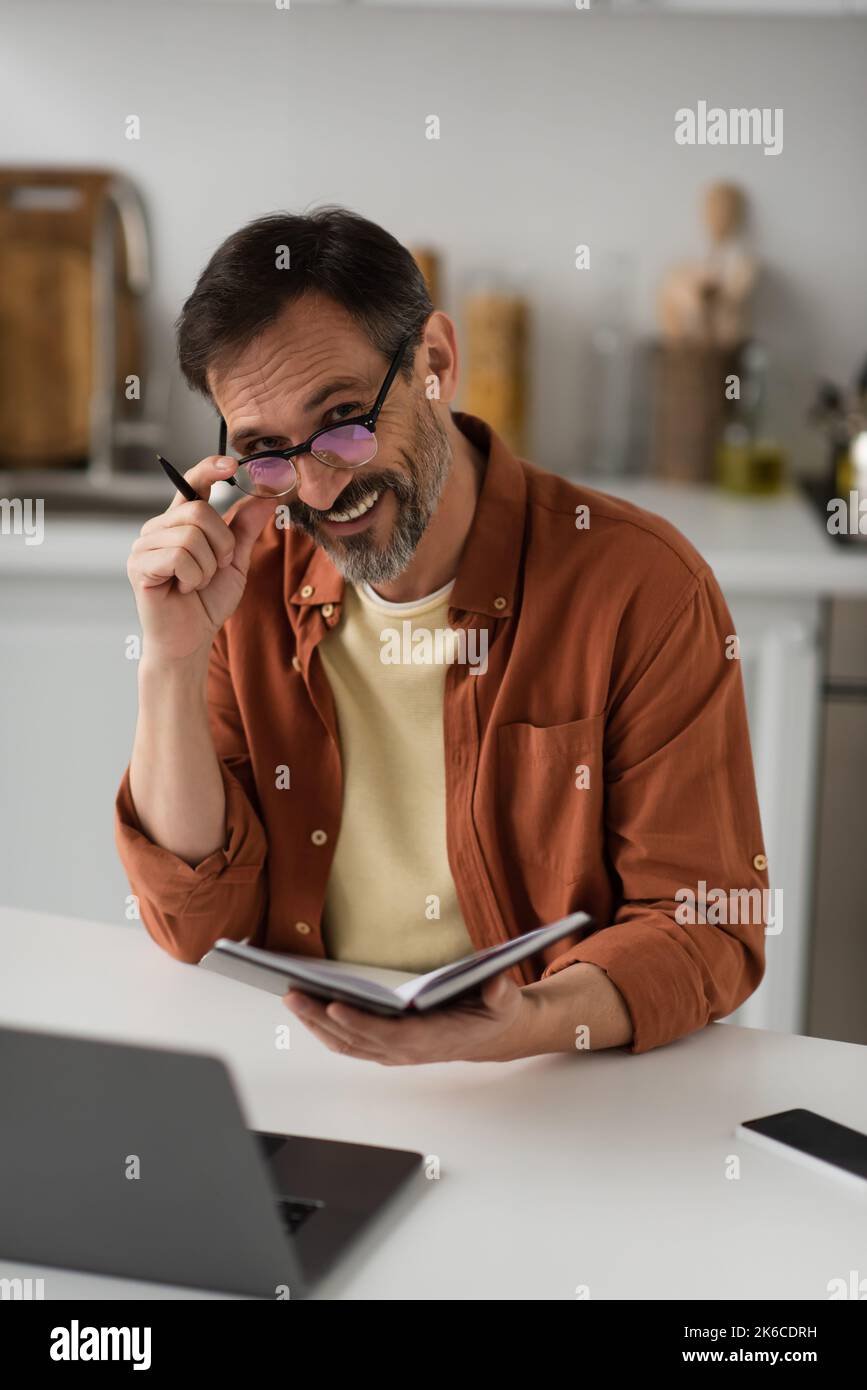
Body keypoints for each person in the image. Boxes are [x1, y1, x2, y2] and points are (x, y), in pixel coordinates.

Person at [116, 206, 767, 1065]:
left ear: (435, 364)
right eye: (266, 450)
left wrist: (525, 1024)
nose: (315, 488)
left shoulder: (640, 587)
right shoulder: (246, 588)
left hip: (549, 1087)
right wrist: (170, 659)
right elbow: (196, 924)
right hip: (308, 1070)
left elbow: (707, 926)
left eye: (344, 416)